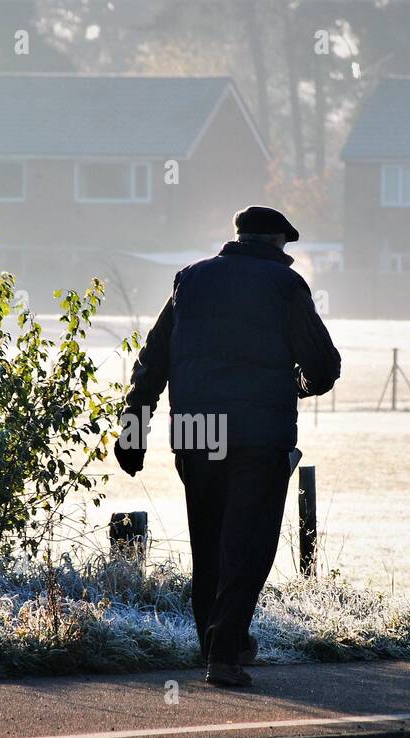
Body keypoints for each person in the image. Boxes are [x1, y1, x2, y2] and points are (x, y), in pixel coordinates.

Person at [114, 205, 341, 687]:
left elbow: (152, 361)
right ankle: (224, 653)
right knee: (250, 544)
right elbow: (323, 366)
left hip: (197, 430)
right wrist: (295, 385)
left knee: (210, 542)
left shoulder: (190, 280)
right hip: (257, 436)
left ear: (237, 237)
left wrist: (133, 433)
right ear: (279, 243)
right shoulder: (284, 286)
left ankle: (218, 645)